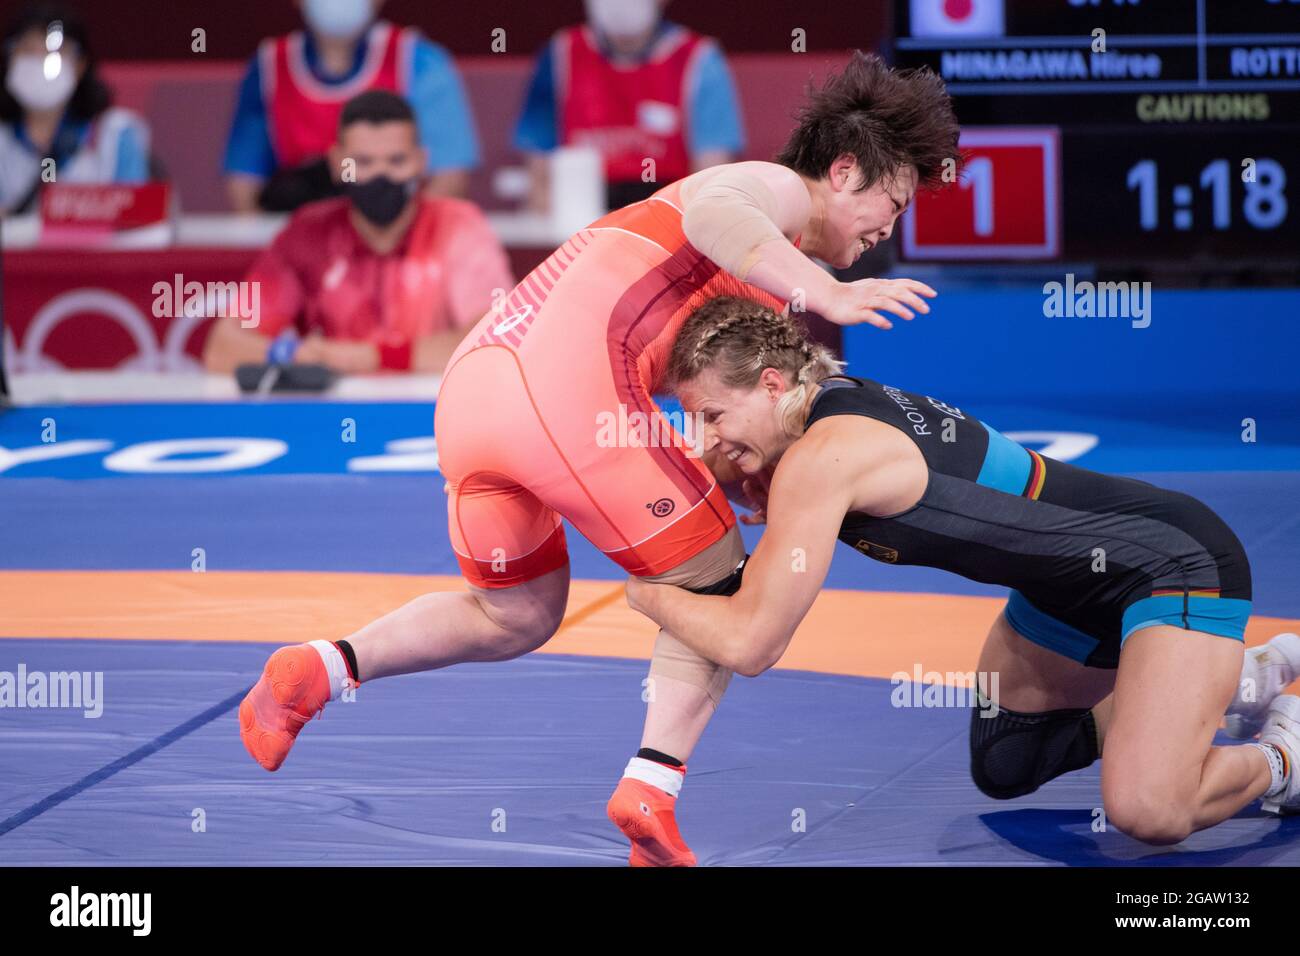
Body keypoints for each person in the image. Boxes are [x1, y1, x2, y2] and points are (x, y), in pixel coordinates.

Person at [237, 52, 958, 866]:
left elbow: (713, 403)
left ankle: (322, 668)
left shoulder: (756, 279)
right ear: (843, 169)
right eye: (890, 205)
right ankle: (650, 789)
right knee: (717, 570)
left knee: (516, 612)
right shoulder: (773, 192)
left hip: (475, 393)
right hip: (564, 391)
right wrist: (828, 297)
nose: (885, 233)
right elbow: (718, 209)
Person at [625, 294, 1300, 844]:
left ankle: (1284, 760)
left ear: (772, 384)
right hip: (1063, 591)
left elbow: (752, 643)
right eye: (692, 420)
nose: (706, 437)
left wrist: (648, 593)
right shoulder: (810, 413)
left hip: (1169, 562)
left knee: (1149, 810)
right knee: (1010, 760)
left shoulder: (824, 456)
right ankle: (1236, 677)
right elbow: (718, 465)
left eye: (712, 415)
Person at [204, 91, 512, 376]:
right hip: (330, 419)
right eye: (363, 162)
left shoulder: (458, 227)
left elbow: (496, 339)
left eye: (397, 160)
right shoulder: (307, 234)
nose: (381, 175)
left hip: (435, 416)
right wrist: (291, 354)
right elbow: (222, 347)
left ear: (421, 161)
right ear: (338, 163)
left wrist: (373, 358)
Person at [223, 0, 478, 213]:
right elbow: (244, 185)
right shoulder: (268, 67)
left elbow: (449, 178)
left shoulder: (420, 61)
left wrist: (395, 244)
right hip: (301, 239)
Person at [514, 0, 744, 212]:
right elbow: (539, 183)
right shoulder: (560, 54)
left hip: (667, 221)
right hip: (580, 225)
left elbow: (711, 182)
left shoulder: (699, 58)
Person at [0, 2, 152, 214]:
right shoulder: (3, 140)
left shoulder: (114, 134)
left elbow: (137, 220)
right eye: (27, 50)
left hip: (95, 247)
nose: (39, 61)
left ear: (80, 64)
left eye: (52, 51)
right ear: (9, 60)